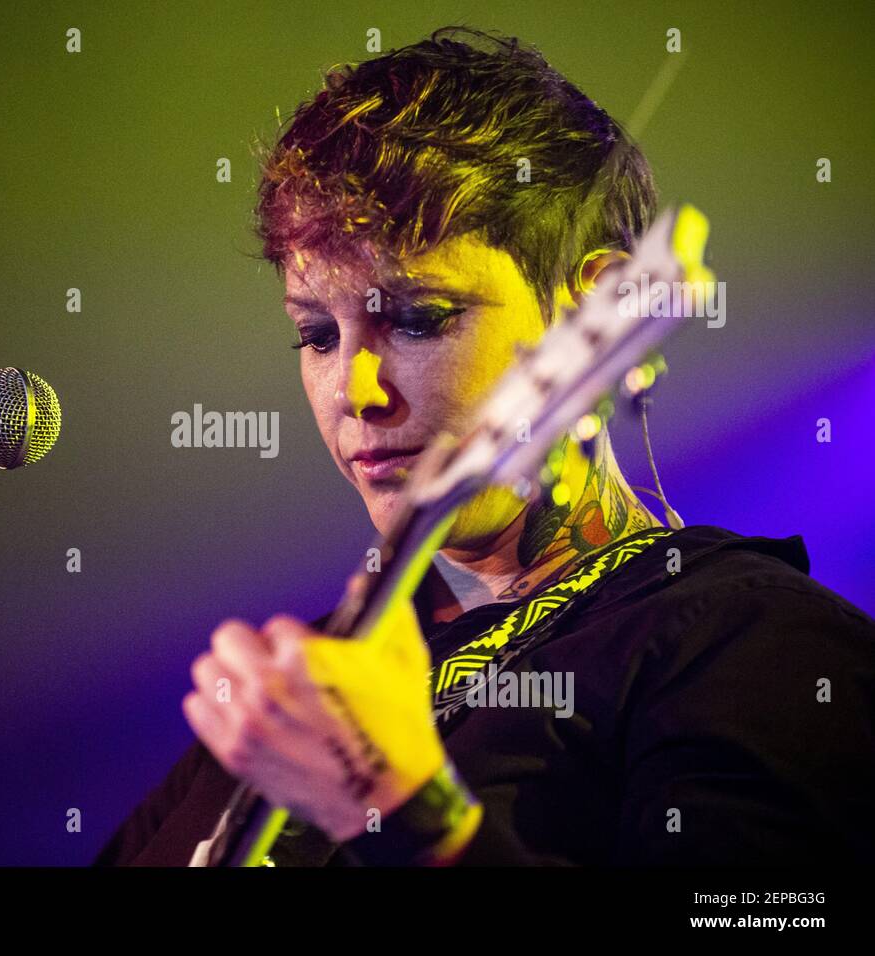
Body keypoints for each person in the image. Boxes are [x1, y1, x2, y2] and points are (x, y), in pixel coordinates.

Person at [93, 27, 875, 866]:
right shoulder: (301, 697)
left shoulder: (749, 641)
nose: (355, 391)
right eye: (317, 334)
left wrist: (408, 813)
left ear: (588, 307)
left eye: (420, 319)